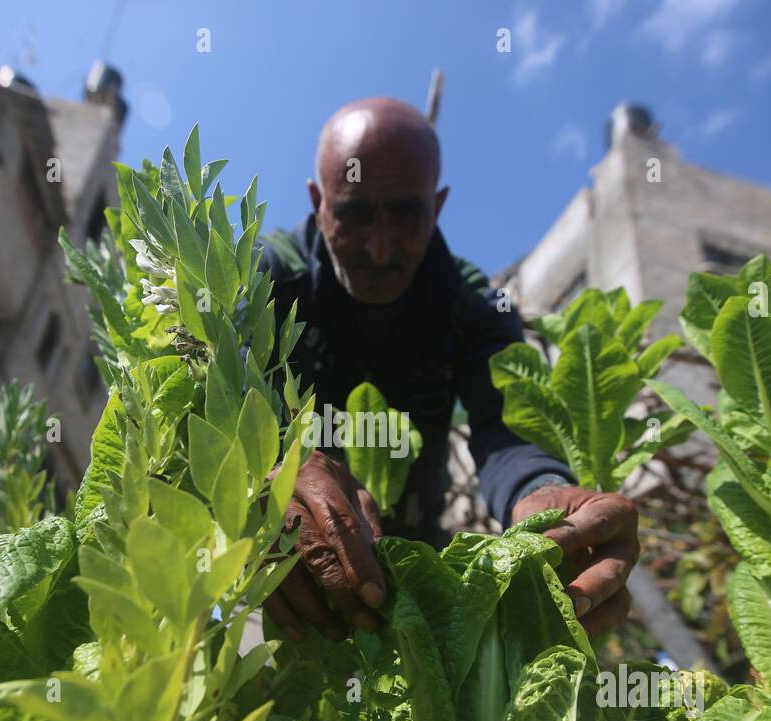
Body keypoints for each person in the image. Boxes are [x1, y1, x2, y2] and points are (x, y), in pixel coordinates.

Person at [258, 96, 638, 644]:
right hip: (281, 565)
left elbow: (506, 434)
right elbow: (207, 394)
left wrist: (547, 495)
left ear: (438, 206)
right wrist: (264, 473)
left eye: (406, 213)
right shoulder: (266, 279)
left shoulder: (475, 308)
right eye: (354, 211)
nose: (380, 246)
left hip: (414, 567)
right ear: (318, 202)